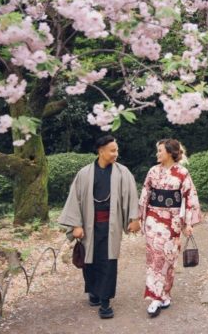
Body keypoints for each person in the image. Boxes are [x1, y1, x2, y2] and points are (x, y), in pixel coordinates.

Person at [58, 135, 141, 319]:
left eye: (117, 150)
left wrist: (134, 218)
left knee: (108, 261)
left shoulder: (123, 173)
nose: (116, 154)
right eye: (112, 150)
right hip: (89, 225)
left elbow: (131, 196)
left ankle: (105, 302)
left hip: (110, 225)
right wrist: (76, 224)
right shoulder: (84, 173)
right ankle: (94, 292)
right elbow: (75, 199)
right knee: (90, 262)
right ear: (101, 151)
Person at [139, 138, 201, 317]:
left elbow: (190, 198)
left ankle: (165, 294)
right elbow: (145, 195)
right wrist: (139, 218)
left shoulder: (182, 173)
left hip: (172, 221)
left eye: (160, 151)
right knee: (154, 258)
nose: (157, 154)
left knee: (169, 258)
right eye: (157, 151)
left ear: (170, 152)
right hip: (153, 218)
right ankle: (155, 297)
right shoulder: (152, 171)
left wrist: (188, 223)